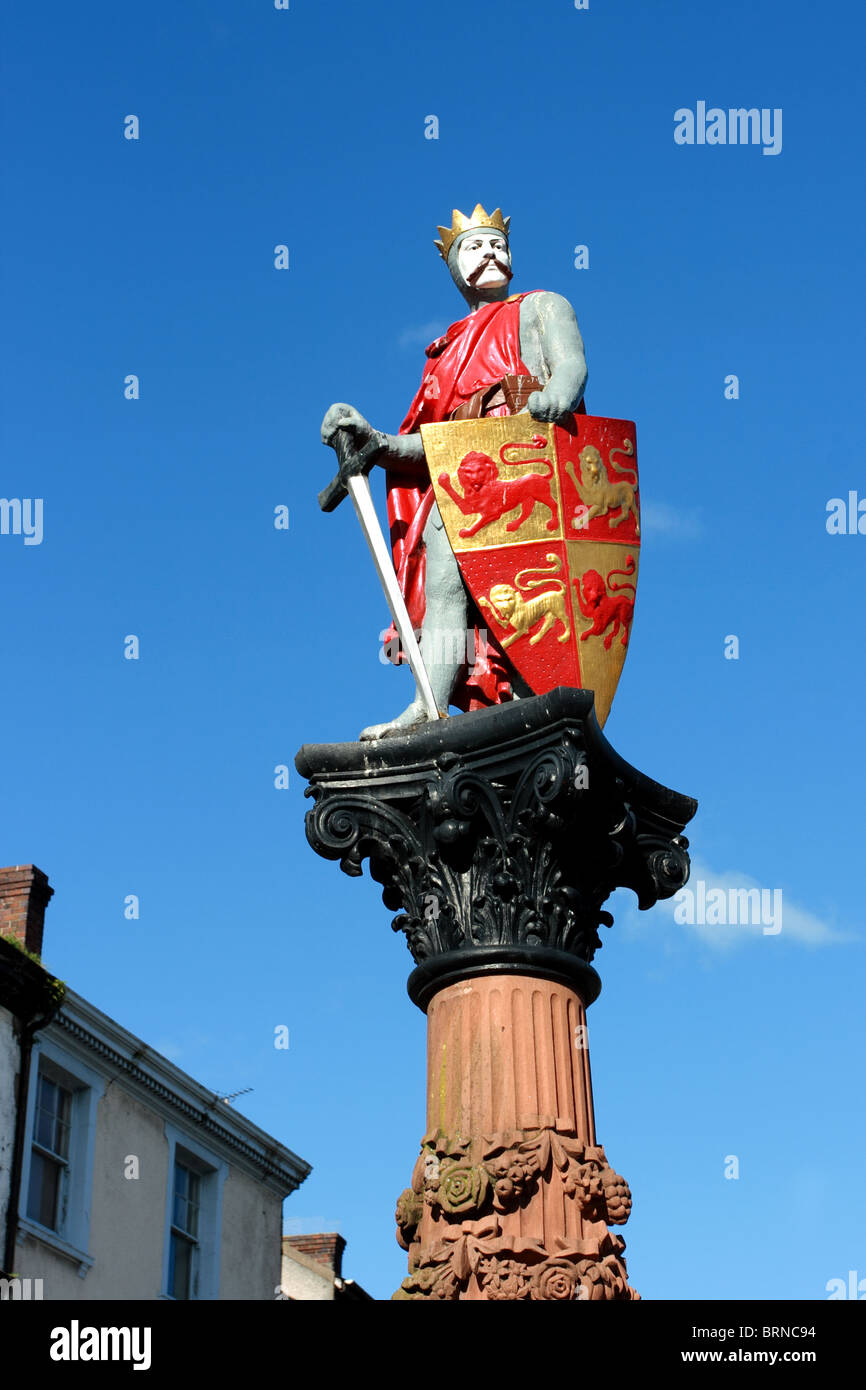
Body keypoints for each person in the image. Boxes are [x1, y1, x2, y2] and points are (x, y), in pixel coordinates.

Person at [321, 205, 588, 739]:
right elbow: (431, 444)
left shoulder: (543, 306)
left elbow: (572, 366)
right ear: (453, 268)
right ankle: (429, 703)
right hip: (466, 474)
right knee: (447, 588)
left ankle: (536, 691)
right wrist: (374, 441)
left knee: (529, 587)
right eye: (474, 247)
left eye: (497, 244)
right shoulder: (445, 352)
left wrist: (556, 395)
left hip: (527, 457)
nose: (489, 252)